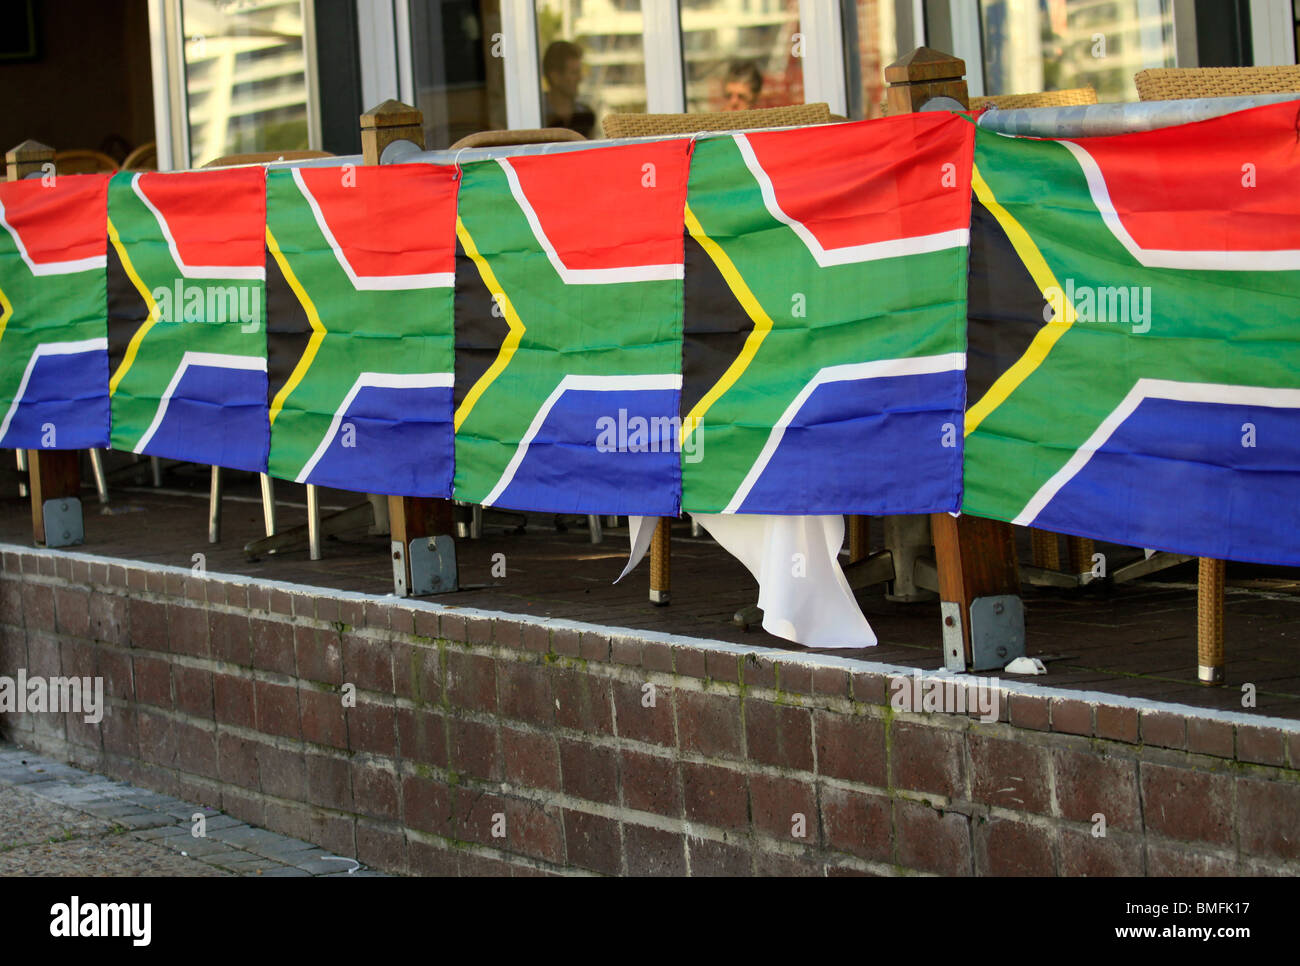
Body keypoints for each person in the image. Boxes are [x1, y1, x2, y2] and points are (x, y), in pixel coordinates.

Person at [542, 40, 595, 136]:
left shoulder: (586, 116)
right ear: (555, 77)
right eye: (574, 72)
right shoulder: (537, 113)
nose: (580, 78)